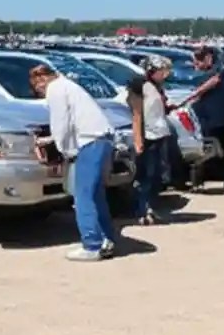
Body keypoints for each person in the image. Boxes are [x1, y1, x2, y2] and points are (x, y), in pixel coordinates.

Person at [29, 64, 117, 261]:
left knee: (82, 196)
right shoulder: (68, 86)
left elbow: (61, 122)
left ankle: (92, 244)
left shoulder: (55, 89)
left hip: (89, 142)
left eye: (37, 89)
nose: (40, 93)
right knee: (96, 195)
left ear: (41, 80)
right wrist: (50, 139)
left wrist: (64, 151)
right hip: (103, 139)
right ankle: (107, 239)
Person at [176, 47, 224, 195]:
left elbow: (211, 84)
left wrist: (187, 99)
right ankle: (203, 182)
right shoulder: (209, 74)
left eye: (197, 63)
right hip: (209, 119)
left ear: (207, 58)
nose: (195, 66)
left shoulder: (218, 73)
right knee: (208, 153)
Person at [126, 55, 174, 225]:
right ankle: (142, 210)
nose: (165, 74)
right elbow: (137, 115)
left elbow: (157, 110)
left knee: (156, 176)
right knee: (145, 175)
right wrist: (138, 140)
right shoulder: (140, 87)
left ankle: (152, 208)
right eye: (162, 71)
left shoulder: (157, 88)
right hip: (148, 137)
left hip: (160, 134)